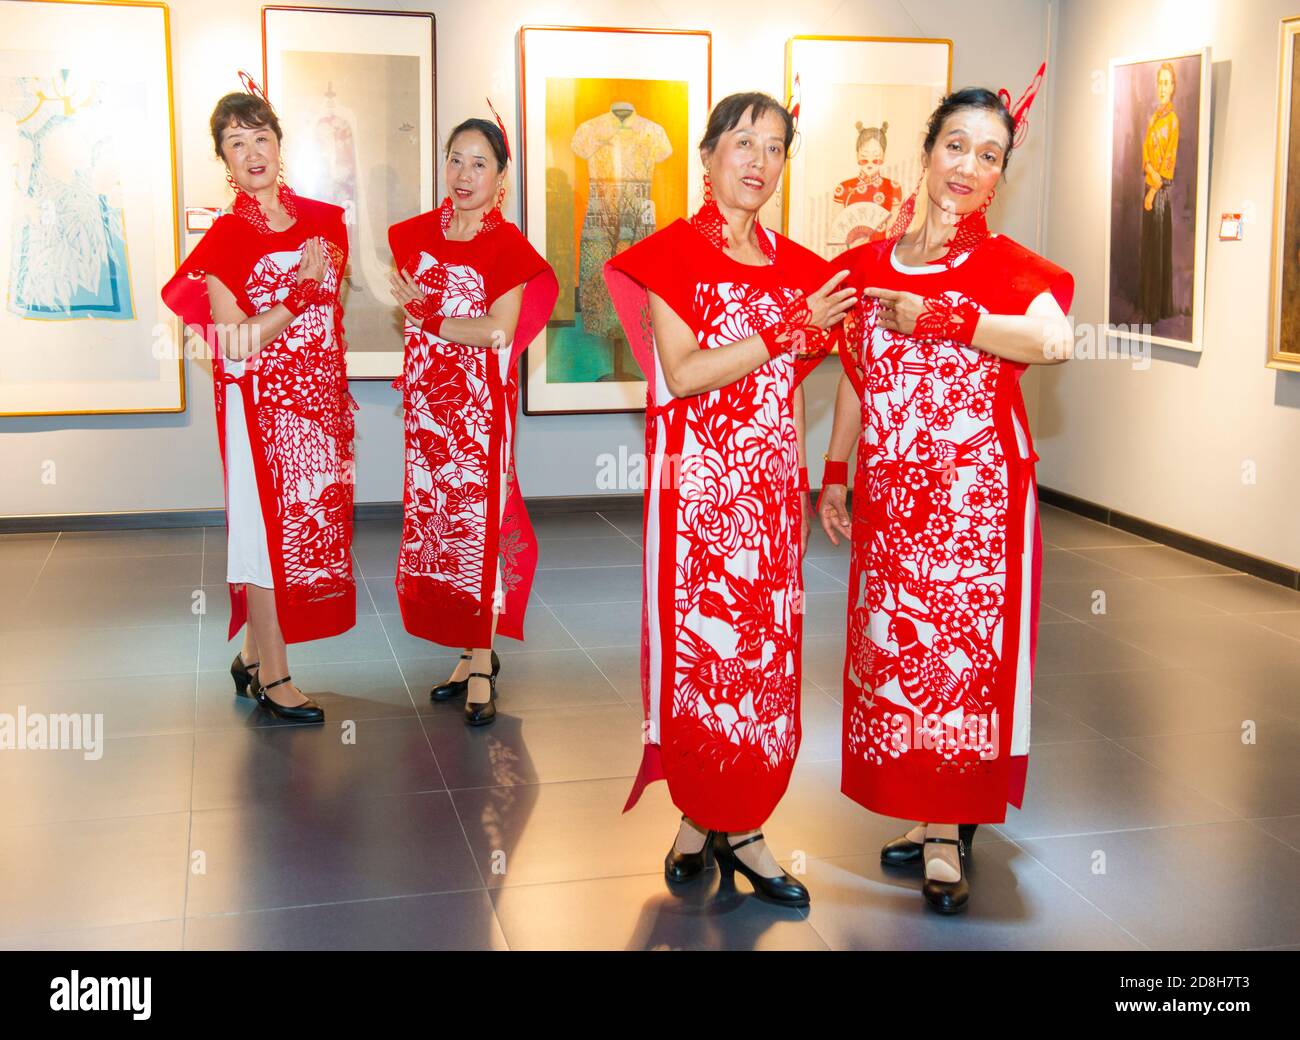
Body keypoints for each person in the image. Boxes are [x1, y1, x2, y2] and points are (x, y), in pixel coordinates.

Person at [818, 66, 1075, 913]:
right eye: (956, 146)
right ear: (926, 154)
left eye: (990, 155)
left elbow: (1053, 340)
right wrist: (835, 471)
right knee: (898, 655)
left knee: (961, 665)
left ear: (1003, 172)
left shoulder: (1006, 267)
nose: (969, 166)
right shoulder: (865, 264)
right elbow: (857, 374)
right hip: (895, 508)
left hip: (976, 513)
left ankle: (946, 829)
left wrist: (947, 318)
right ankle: (928, 808)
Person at [603, 91, 855, 907]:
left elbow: (833, 364)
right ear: (707, 156)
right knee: (700, 664)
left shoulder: (801, 267)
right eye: (742, 142)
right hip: (698, 509)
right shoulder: (671, 254)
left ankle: (743, 825)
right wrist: (786, 328)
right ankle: (694, 814)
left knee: (762, 668)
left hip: (771, 504)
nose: (759, 159)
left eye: (776, 146)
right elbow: (684, 373)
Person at [162, 74, 357, 724]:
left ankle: (249, 654)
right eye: (235, 142)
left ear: (280, 143)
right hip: (260, 414)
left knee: (303, 531)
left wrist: (332, 397)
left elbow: (334, 320)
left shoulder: (326, 225)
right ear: (223, 162)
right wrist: (294, 296)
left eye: (260, 137)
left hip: (315, 411)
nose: (251, 151)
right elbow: (236, 340)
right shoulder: (225, 240)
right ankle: (275, 676)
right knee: (264, 535)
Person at [388, 106, 558, 726]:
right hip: (429, 413)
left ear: (500, 178)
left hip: (478, 416)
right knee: (441, 532)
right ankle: (466, 648)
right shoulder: (414, 236)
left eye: (478, 164)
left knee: (479, 527)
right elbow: (407, 298)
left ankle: (483, 660)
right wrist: (407, 298)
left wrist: (429, 318)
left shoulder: (505, 247)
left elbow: (496, 332)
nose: (463, 174)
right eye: (455, 160)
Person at [1138, 61, 1179, 323]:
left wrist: (1153, 191)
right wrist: (1149, 170)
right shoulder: (1154, 118)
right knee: (1149, 247)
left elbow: (1168, 162)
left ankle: (1157, 309)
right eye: (1160, 82)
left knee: (1158, 248)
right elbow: (1145, 155)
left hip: (1159, 193)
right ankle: (1148, 304)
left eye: (1167, 83)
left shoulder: (1173, 120)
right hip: (1150, 185)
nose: (1163, 87)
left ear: (1173, 87)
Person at [833, 121, 903, 248]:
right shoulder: (843, 188)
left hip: (881, 254)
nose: (870, 163)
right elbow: (839, 230)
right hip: (852, 253)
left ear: (884, 156)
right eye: (864, 157)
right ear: (857, 155)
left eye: (876, 157)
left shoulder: (893, 187)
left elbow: (893, 230)